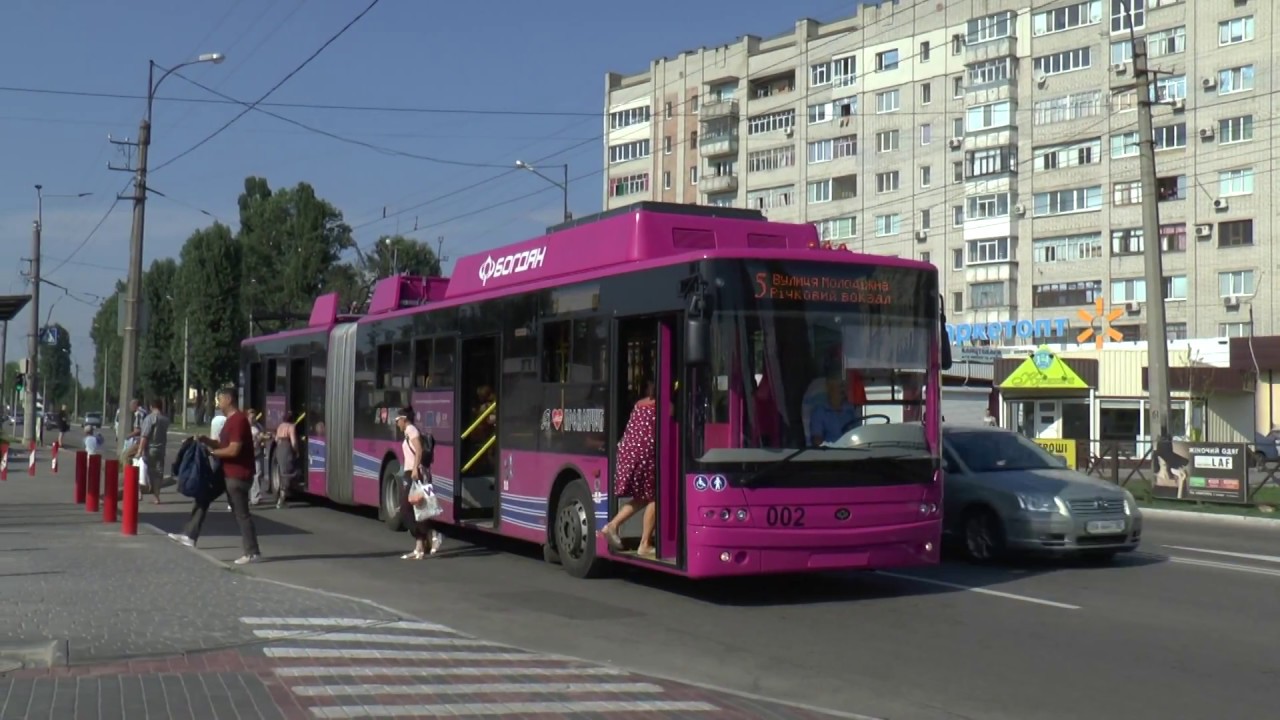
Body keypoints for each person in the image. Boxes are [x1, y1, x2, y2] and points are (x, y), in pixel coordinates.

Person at [170, 387, 261, 564]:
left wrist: (212, 454)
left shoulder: (238, 420)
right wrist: (206, 440)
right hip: (224, 472)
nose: (218, 403)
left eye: (220, 399)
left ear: (229, 399)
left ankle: (252, 552)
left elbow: (234, 449)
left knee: (241, 513)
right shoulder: (229, 421)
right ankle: (190, 535)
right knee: (203, 496)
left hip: (237, 475)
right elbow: (222, 444)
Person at [600, 380, 658, 557]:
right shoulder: (664, 406)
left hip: (628, 453)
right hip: (646, 455)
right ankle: (645, 543)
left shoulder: (639, 404)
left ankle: (612, 525)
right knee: (657, 497)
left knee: (643, 497)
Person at [397, 407, 442, 559]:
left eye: (397, 420)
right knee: (419, 511)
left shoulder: (411, 430)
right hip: (412, 472)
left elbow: (419, 450)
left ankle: (433, 533)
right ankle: (419, 548)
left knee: (406, 509)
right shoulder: (408, 432)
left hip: (416, 474)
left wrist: (415, 469)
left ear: (404, 419)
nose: (397, 423)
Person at [137, 398, 171, 505]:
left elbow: (145, 435)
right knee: (159, 473)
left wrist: (139, 450)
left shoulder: (150, 418)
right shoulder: (165, 419)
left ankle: (141, 492)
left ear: (151, 407)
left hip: (151, 449)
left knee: (147, 471)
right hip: (161, 449)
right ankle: (157, 496)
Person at [809, 377, 861, 446]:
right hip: (831, 450)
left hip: (852, 448)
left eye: (844, 386)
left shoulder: (851, 410)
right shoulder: (820, 412)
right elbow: (816, 439)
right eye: (840, 386)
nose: (843, 389)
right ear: (830, 388)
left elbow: (858, 433)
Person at [274, 410, 301, 509]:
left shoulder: (280, 426)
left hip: (279, 449)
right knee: (288, 474)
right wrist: (296, 451)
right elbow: (293, 442)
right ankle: (281, 500)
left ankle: (281, 497)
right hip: (287, 448)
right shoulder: (291, 427)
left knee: (282, 472)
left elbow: (276, 439)